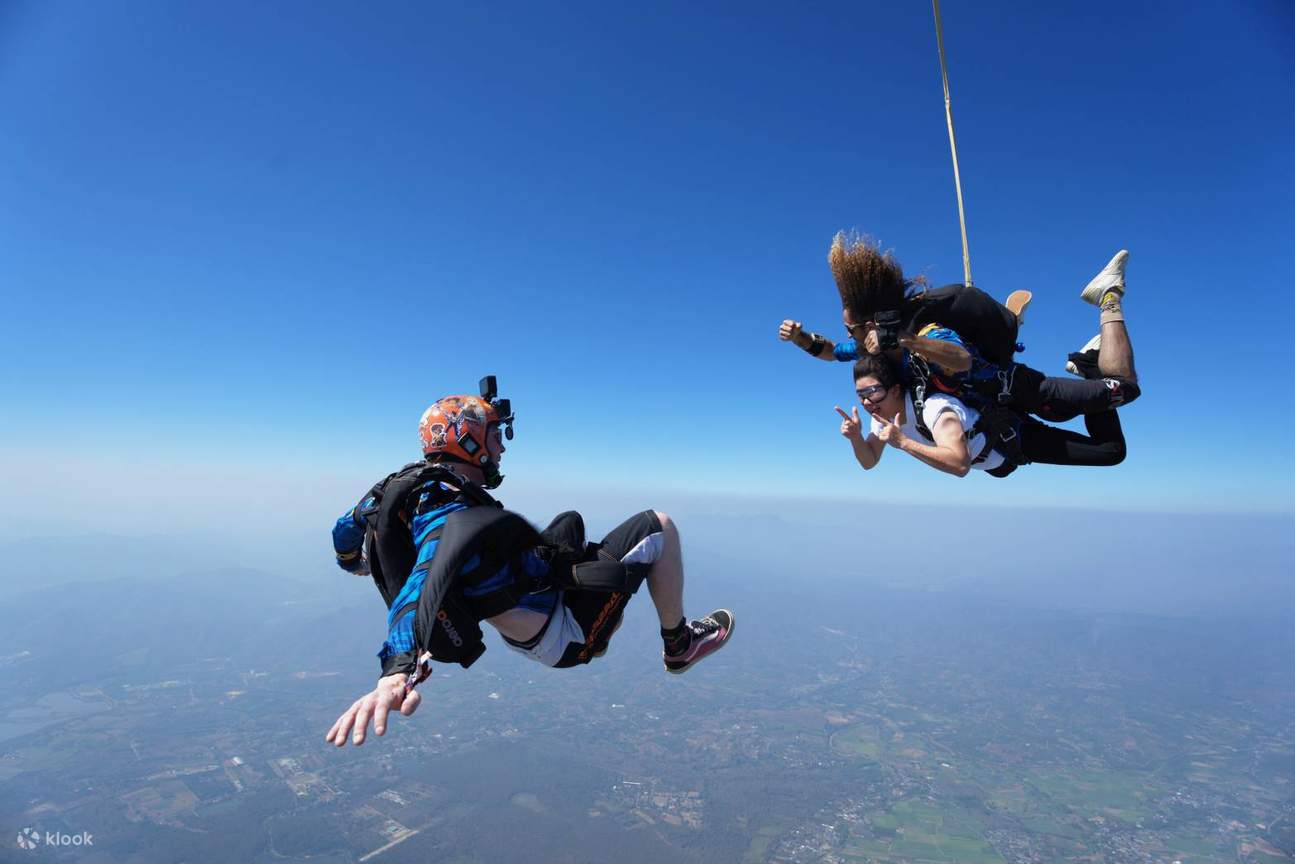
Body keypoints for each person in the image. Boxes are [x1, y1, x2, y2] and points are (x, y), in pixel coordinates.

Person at [325, 378, 735, 748]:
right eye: (494, 437)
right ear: (470, 443)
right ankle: (679, 644)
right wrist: (397, 669)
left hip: (534, 626)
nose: (501, 448)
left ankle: (601, 617)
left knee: (567, 526)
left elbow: (345, 536)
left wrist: (363, 563)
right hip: (566, 632)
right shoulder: (449, 513)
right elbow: (424, 583)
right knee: (658, 527)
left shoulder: (400, 491)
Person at [780, 233, 1141, 424]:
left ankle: (1107, 295)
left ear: (870, 324)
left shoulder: (926, 333)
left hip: (1020, 387)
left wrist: (907, 340)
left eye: (851, 329)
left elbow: (960, 358)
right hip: (1002, 403)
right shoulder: (868, 348)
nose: (849, 337)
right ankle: (1082, 357)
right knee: (1068, 412)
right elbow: (828, 352)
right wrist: (800, 339)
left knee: (1123, 391)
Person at [838, 353, 1126, 478]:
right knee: (1062, 414)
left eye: (873, 392)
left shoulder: (935, 409)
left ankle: (1091, 368)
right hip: (998, 459)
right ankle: (1087, 375)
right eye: (861, 395)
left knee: (1111, 452)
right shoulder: (881, 420)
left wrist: (903, 443)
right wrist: (855, 439)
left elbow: (959, 464)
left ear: (896, 389)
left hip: (1015, 440)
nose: (866, 401)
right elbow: (869, 461)